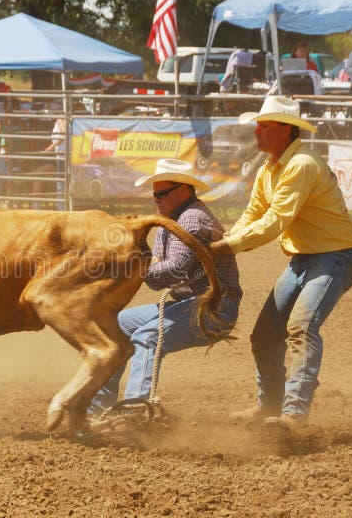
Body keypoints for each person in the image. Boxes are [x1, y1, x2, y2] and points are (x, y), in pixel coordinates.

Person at [209, 96, 352, 430]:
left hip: (337, 255)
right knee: (265, 334)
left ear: (284, 129)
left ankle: (294, 413)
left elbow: (277, 219)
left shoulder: (302, 164)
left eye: (263, 125)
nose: (257, 131)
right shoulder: (271, 168)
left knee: (302, 326)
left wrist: (229, 245)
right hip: (306, 257)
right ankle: (270, 406)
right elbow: (254, 213)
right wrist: (229, 239)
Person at [88, 158, 242, 416]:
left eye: (162, 193)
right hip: (189, 303)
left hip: (215, 306)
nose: (156, 199)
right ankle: (96, 408)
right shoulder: (168, 221)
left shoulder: (191, 219)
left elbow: (174, 270)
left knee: (146, 337)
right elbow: (160, 273)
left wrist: (137, 268)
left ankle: (135, 413)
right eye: (155, 194)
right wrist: (150, 268)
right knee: (117, 324)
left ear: (183, 190)